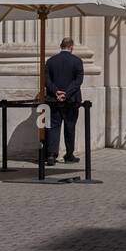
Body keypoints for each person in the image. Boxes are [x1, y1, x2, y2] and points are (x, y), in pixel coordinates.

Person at [46, 37, 84, 165]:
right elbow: (78, 81)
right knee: (70, 127)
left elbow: (46, 81)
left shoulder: (51, 61)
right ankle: (69, 155)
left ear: (60, 45)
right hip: (71, 101)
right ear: (72, 46)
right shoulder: (77, 61)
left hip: (53, 100)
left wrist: (56, 91)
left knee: (53, 127)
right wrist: (66, 94)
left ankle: (51, 155)